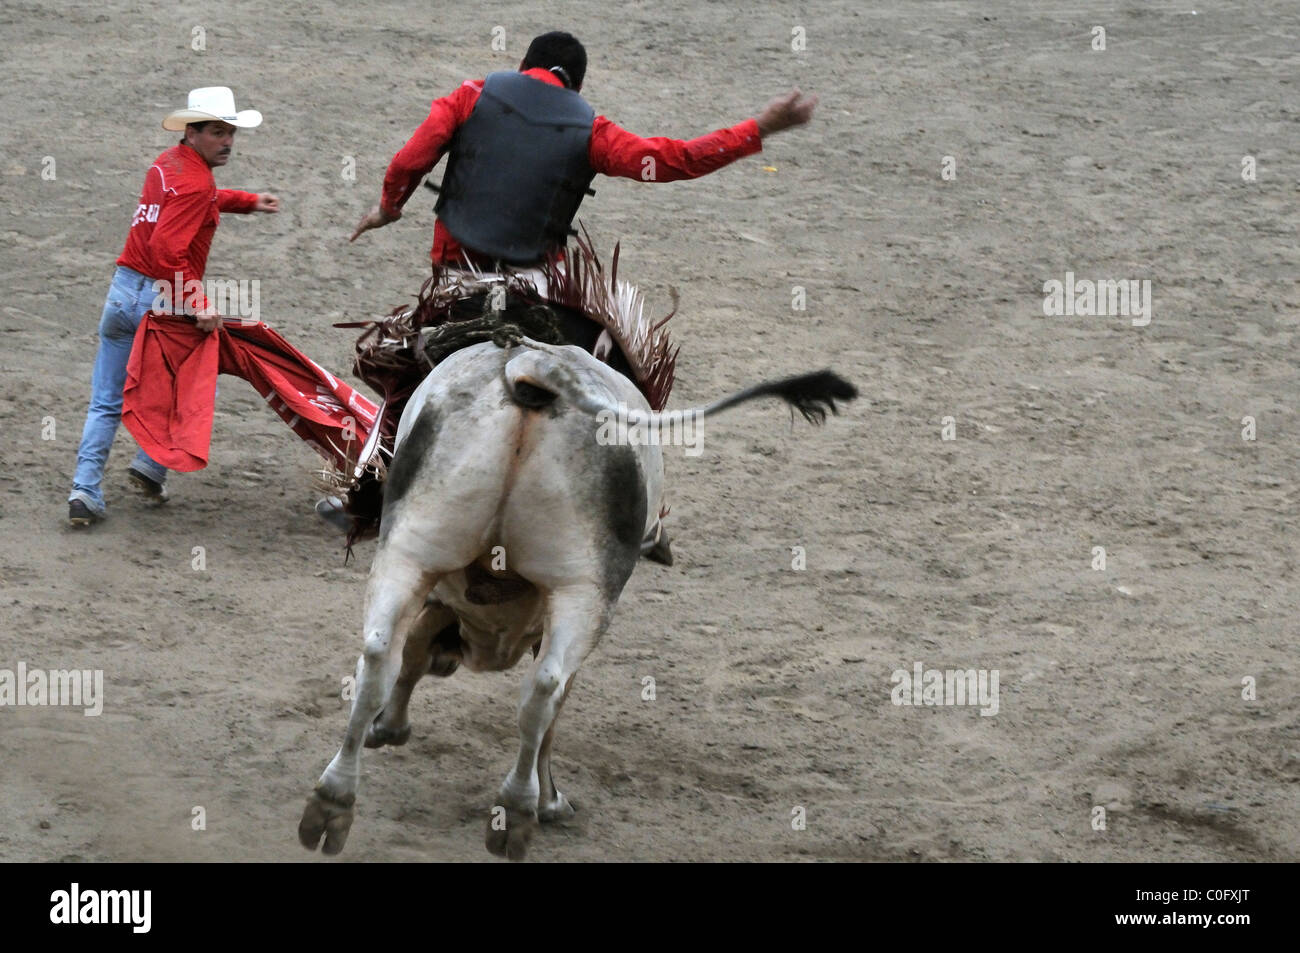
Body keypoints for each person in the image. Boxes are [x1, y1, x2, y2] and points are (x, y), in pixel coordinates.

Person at [349, 30, 818, 266]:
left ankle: (383, 452)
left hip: (456, 270)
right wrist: (760, 127)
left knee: (404, 371)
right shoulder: (591, 131)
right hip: (537, 279)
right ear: (577, 87)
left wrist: (389, 207)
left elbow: (410, 160)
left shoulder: (470, 96)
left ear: (521, 64)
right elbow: (675, 161)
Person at [67, 87, 281, 527]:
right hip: (161, 298)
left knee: (106, 400)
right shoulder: (196, 180)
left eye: (231, 133)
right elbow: (168, 251)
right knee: (195, 384)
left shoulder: (168, 164)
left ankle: (84, 491)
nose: (228, 142)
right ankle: (150, 464)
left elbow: (194, 201)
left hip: (122, 292)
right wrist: (199, 303)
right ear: (193, 132)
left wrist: (246, 201)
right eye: (218, 133)